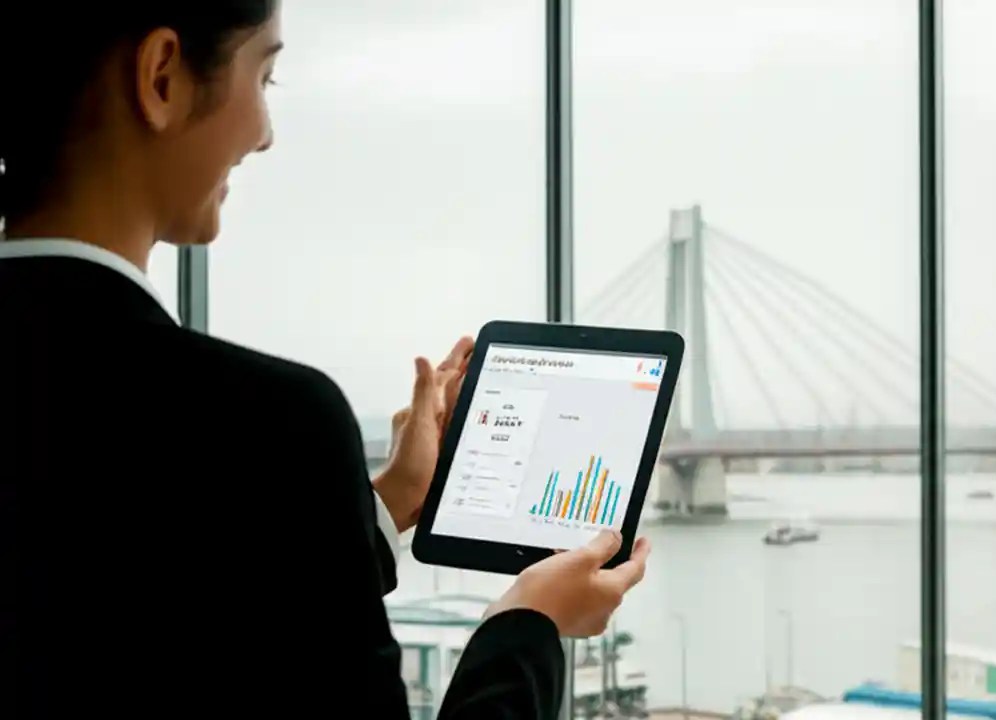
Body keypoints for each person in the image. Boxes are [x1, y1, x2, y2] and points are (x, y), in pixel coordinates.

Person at [0, 3, 650, 718]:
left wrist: (385, 501)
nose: (265, 134)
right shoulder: (270, 420)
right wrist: (528, 624)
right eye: (265, 77)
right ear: (161, 78)